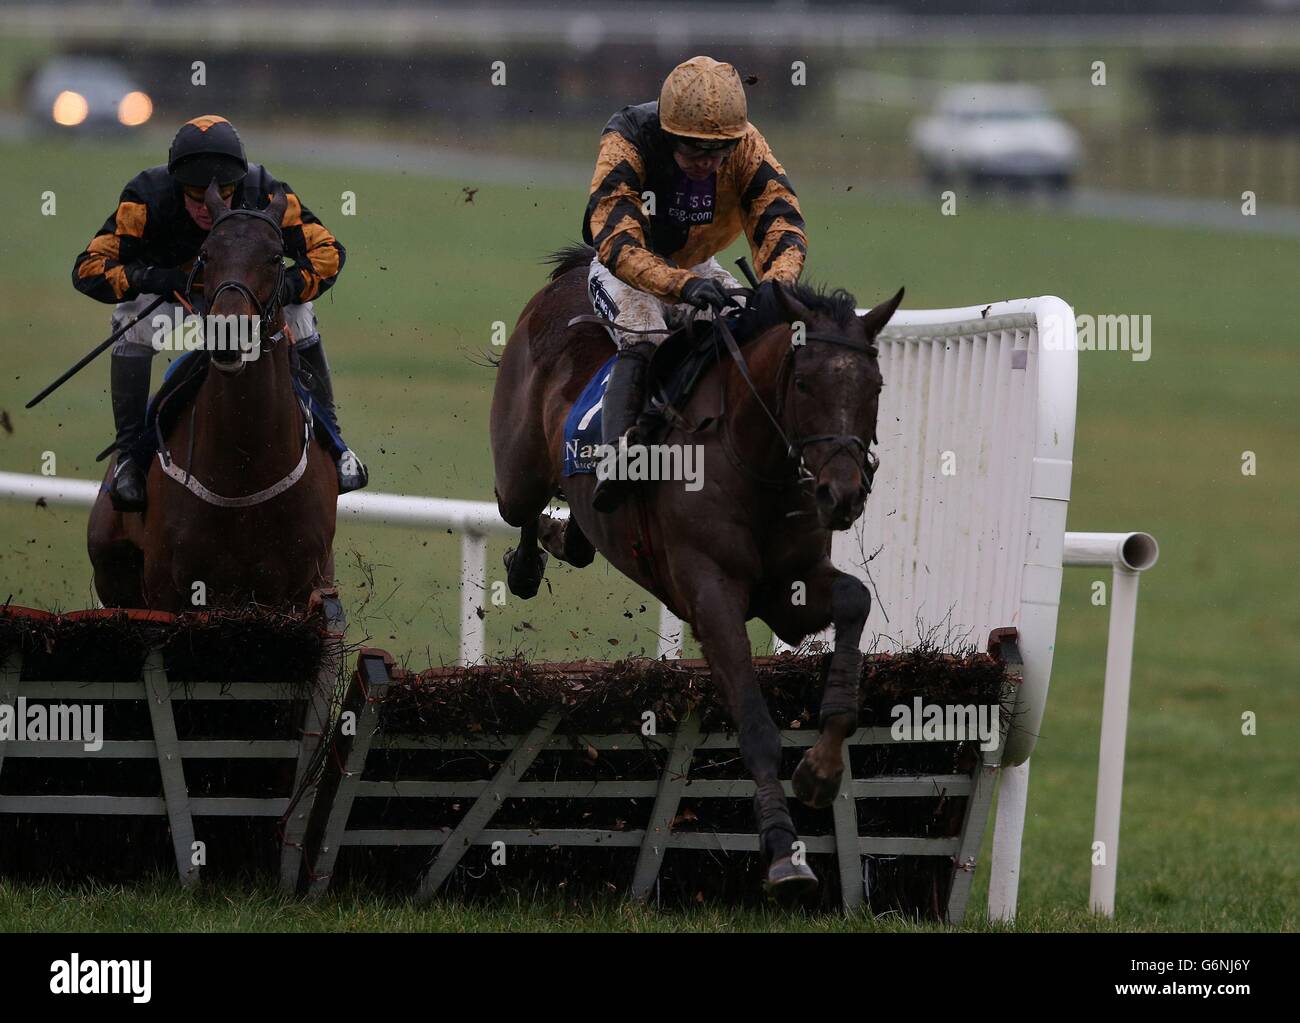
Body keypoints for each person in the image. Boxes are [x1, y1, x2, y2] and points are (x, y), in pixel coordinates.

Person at [71, 114, 366, 511]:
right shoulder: (145, 196)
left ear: (238, 182)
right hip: (180, 316)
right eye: (196, 194)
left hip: (248, 320)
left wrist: (286, 288)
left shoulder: (264, 192)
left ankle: (337, 446)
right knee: (131, 316)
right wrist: (154, 278)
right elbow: (88, 269)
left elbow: (328, 253)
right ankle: (129, 459)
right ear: (178, 185)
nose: (211, 204)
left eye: (226, 190)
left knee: (298, 310)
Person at [582, 56, 808, 512]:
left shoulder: (746, 144)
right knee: (644, 330)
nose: (707, 163)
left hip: (700, 267)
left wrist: (776, 285)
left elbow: (780, 220)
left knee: (749, 334)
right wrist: (679, 285)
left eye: (718, 152)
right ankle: (619, 459)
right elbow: (617, 240)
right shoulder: (627, 137)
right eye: (693, 151)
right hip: (626, 267)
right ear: (668, 135)